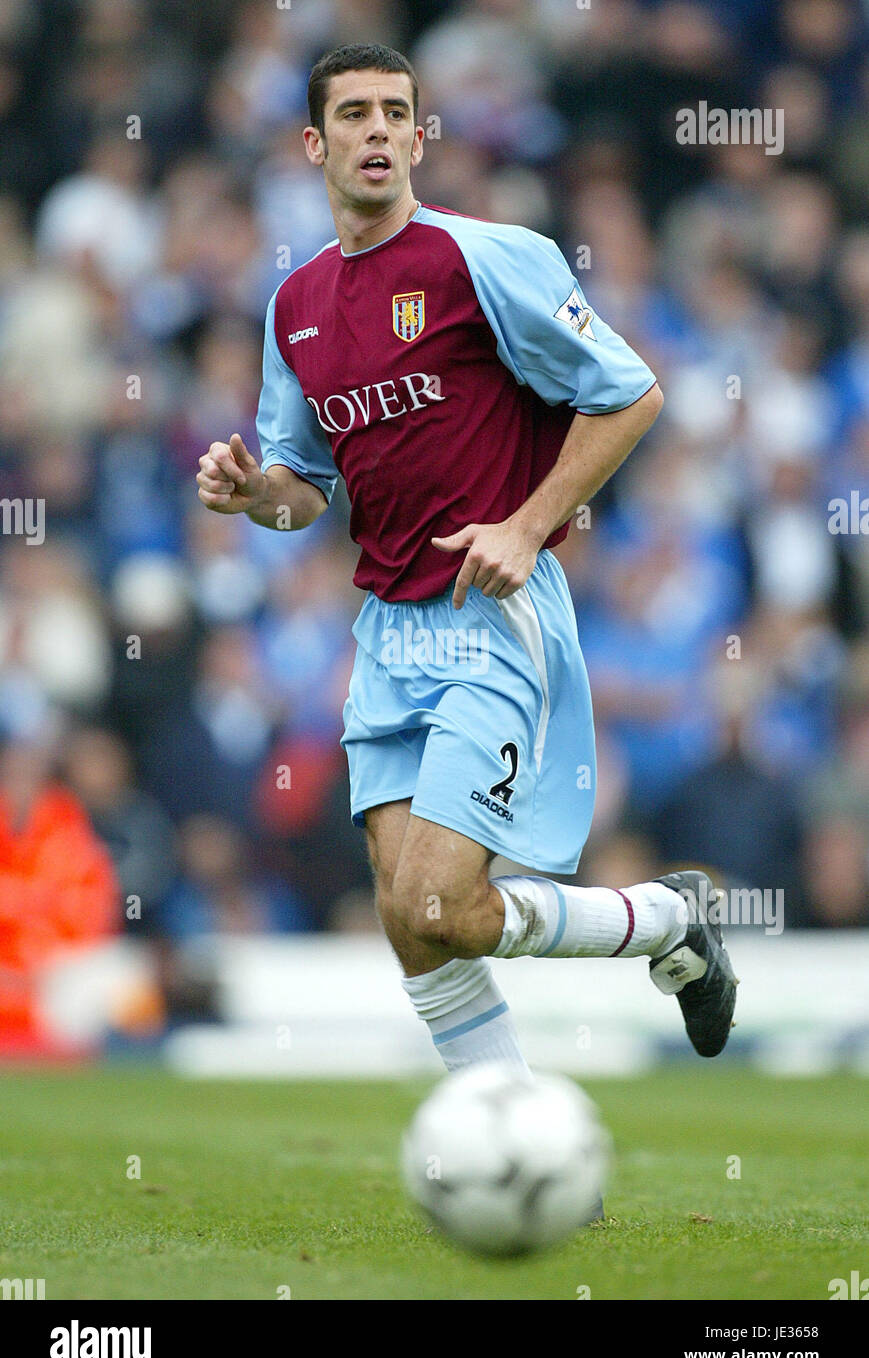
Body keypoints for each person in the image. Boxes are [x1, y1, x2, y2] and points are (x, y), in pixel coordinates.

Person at [196, 43, 737, 1080]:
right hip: (386, 632)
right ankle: (509, 1121)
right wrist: (250, 492)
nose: (377, 131)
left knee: (441, 900)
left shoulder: (481, 257)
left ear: (419, 136)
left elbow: (629, 393)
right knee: (412, 920)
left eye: (396, 112)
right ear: (313, 142)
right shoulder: (295, 307)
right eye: (352, 114)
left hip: (492, 612)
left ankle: (666, 918)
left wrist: (527, 524)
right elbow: (300, 491)